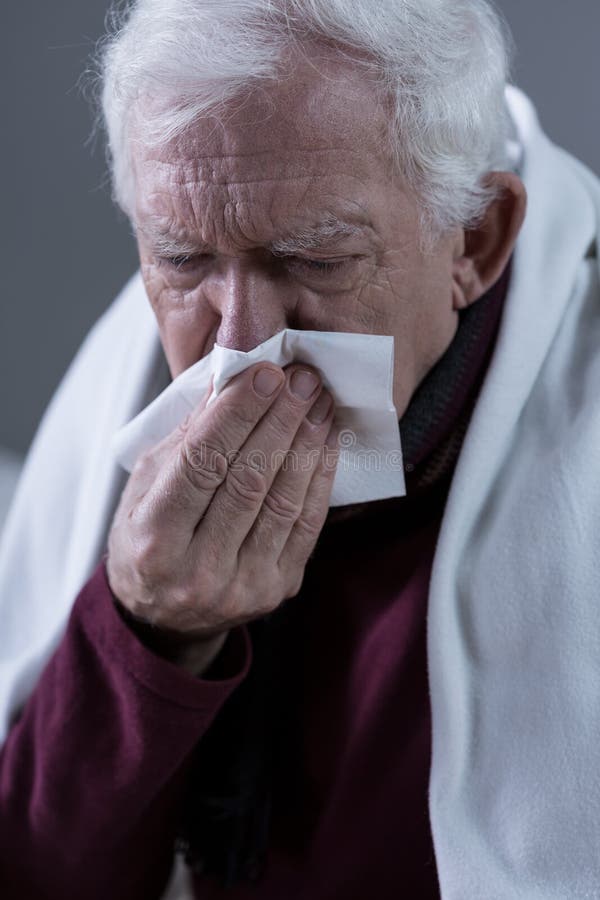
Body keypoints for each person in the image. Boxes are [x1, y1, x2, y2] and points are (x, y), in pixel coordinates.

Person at [1, 1, 599, 898]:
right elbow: (35, 871)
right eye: (182, 259)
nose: (239, 347)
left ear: (475, 240)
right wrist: (149, 627)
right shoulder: (125, 373)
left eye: (316, 261)